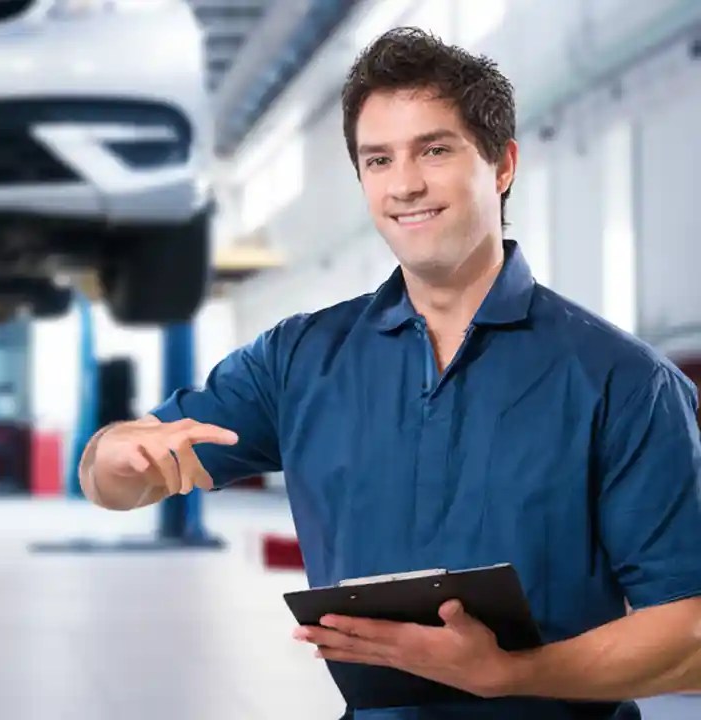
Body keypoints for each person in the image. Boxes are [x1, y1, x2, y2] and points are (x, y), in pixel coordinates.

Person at [79, 27, 701, 720]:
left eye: (434, 150)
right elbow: (115, 482)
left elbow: (692, 639)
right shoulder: (300, 360)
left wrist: (514, 673)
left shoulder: (624, 383)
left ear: (501, 166)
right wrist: (115, 458)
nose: (404, 184)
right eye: (378, 160)